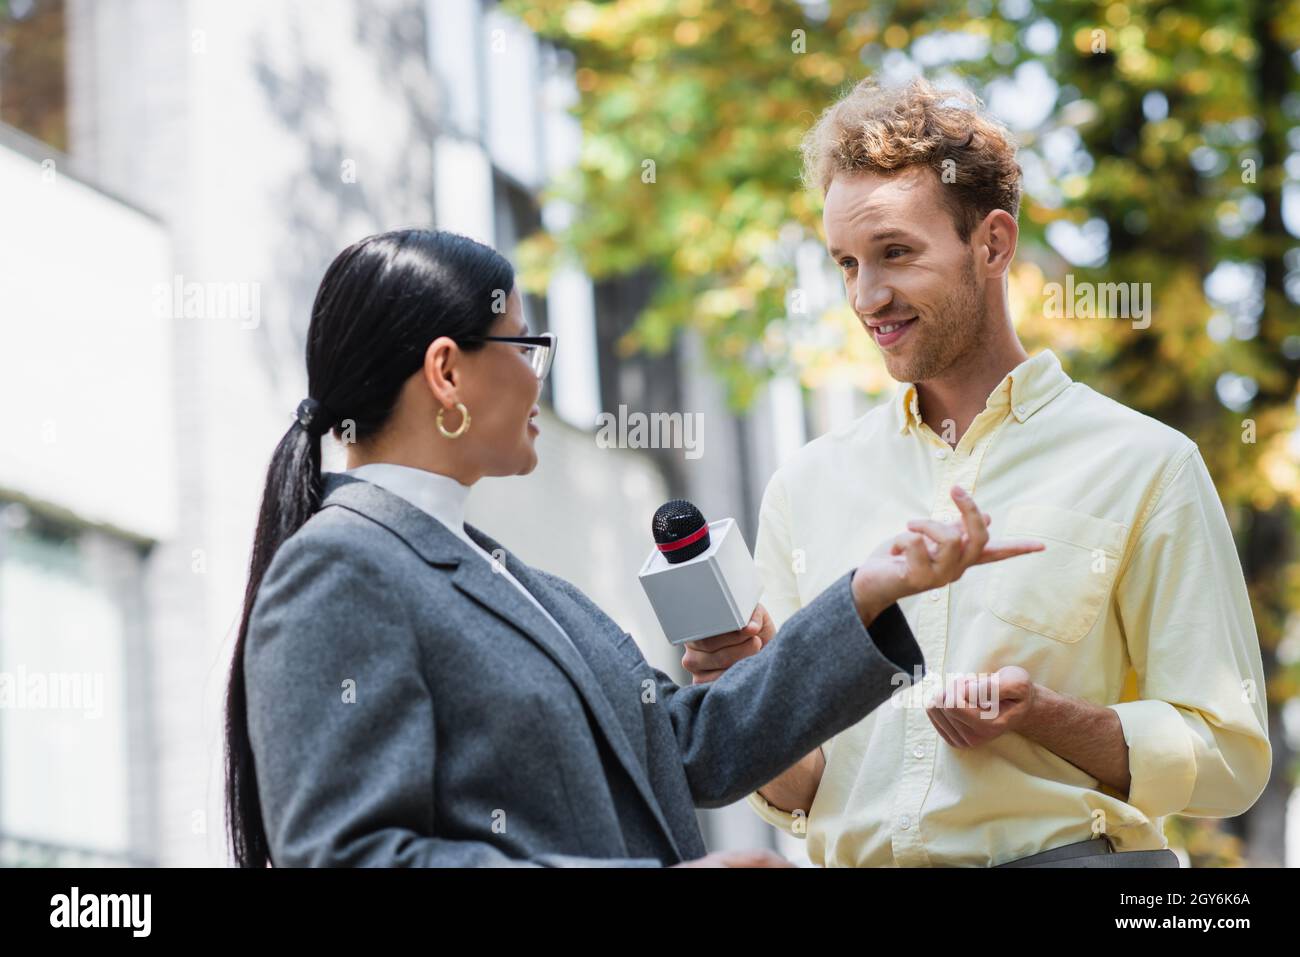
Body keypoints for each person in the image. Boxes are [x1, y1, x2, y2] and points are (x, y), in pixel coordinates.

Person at [223, 227, 1041, 868]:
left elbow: (691, 745)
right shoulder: (341, 569)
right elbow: (350, 855)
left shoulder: (511, 578)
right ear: (446, 372)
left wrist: (870, 589)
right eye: (524, 345)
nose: (540, 376)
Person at [685, 76, 1271, 868]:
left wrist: (1048, 716)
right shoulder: (805, 485)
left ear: (992, 244)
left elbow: (1231, 758)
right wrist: (758, 691)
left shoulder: (1145, 465)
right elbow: (803, 788)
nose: (868, 297)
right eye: (846, 263)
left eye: (895, 253)